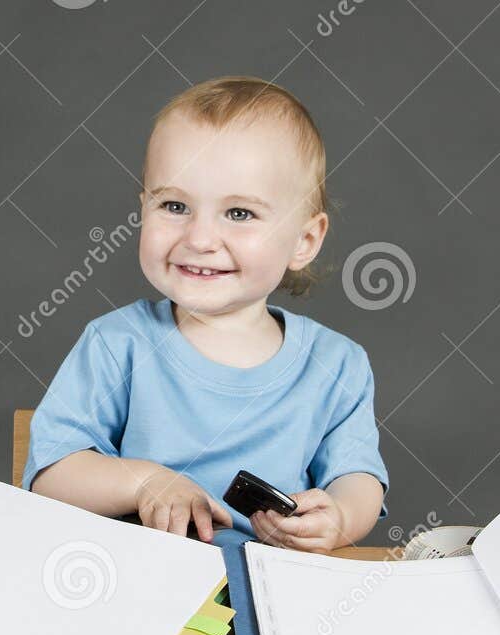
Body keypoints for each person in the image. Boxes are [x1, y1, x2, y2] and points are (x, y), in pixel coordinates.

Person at [22, 76, 387, 553]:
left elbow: (357, 476)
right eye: (175, 205)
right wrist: (145, 482)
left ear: (304, 240)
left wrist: (338, 517)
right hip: (141, 584)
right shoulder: (118, 344)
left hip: (275, 587)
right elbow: (53, 473)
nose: (199, 238)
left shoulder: (337, 364)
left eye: (239, 213)